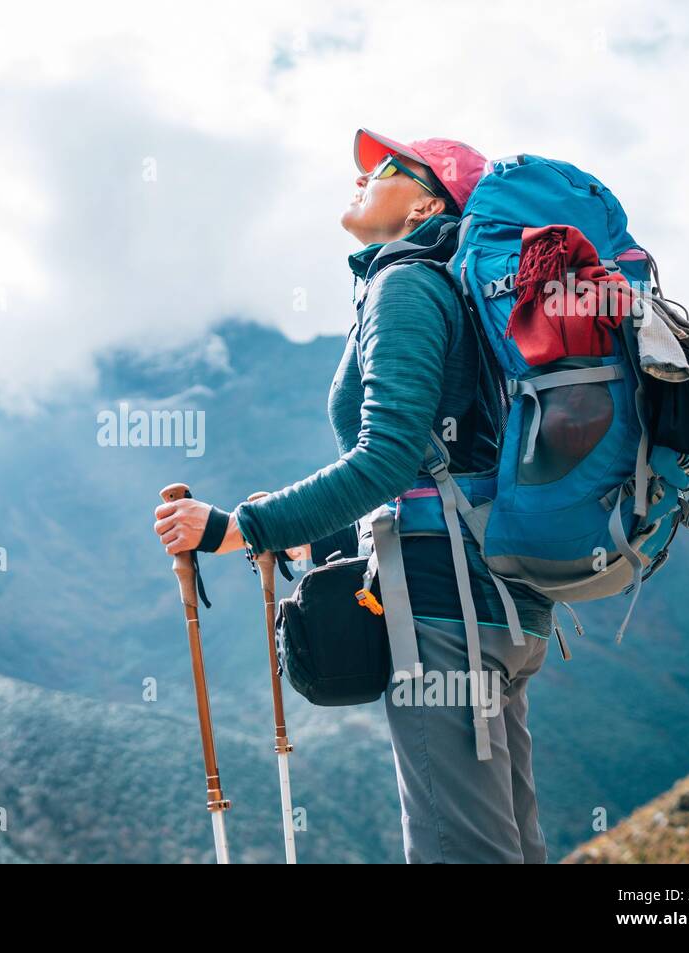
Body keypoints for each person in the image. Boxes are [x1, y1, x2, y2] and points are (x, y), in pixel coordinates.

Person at [152, 128, 556, 864]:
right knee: (510, 847)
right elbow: (444, 464)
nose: (365, 174)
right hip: (500, 604)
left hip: (446, 611)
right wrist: (326, 540)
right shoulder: (457, 296)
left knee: (459, 851)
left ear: (426, 203)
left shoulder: (404, 285)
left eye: (388, 167)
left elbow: (387, 455)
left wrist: (237, 527)